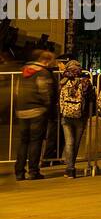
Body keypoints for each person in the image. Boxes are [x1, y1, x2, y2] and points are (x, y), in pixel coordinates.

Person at [14, 49, 57, 181]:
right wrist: (48, 107)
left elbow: (16, 91)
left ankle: (19, 172)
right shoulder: (43, 73)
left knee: (23, 141)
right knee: (35, 141)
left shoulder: (23, 71)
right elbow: (45, 92)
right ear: (46, 61)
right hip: (37, 110)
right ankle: (33, 171)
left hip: (22, 110)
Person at [58, 59, 95, 178]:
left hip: (66, 115)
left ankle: (70, 169)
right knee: (76, 143)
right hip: (80, 115)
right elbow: (92, 98)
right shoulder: (85, 82)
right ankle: (71, 167)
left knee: (69, 142)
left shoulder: (62, 81)